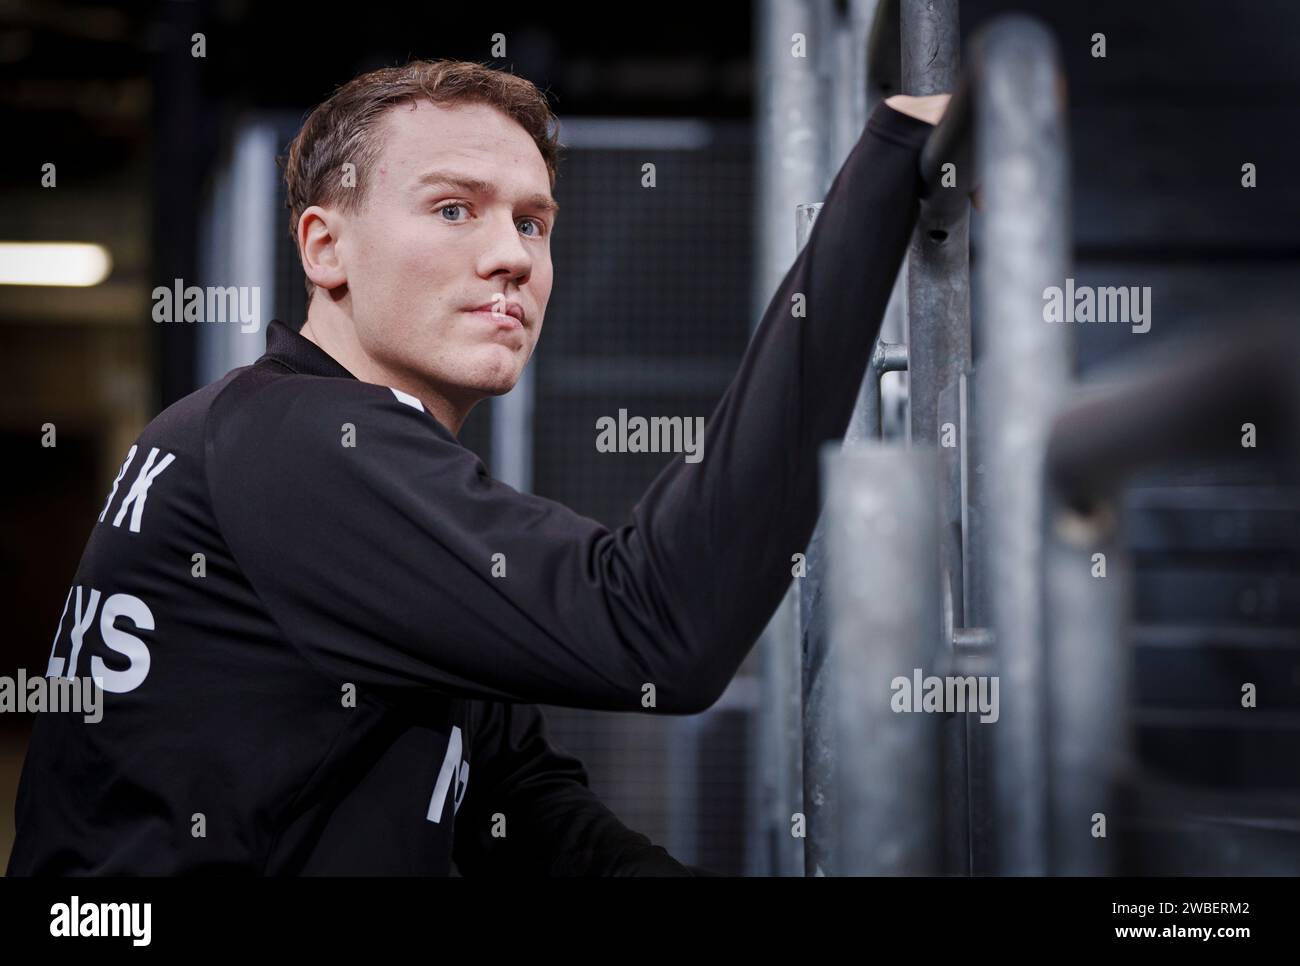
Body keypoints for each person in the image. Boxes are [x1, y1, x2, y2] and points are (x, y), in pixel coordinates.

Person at [7, 58, 947, 875]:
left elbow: (513, 801)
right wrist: (890, 166)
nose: (511, 256)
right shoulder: (295, 441)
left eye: (534, 224)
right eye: (454, 208)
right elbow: (661, 626)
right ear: (324, 247)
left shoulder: (305, 448)